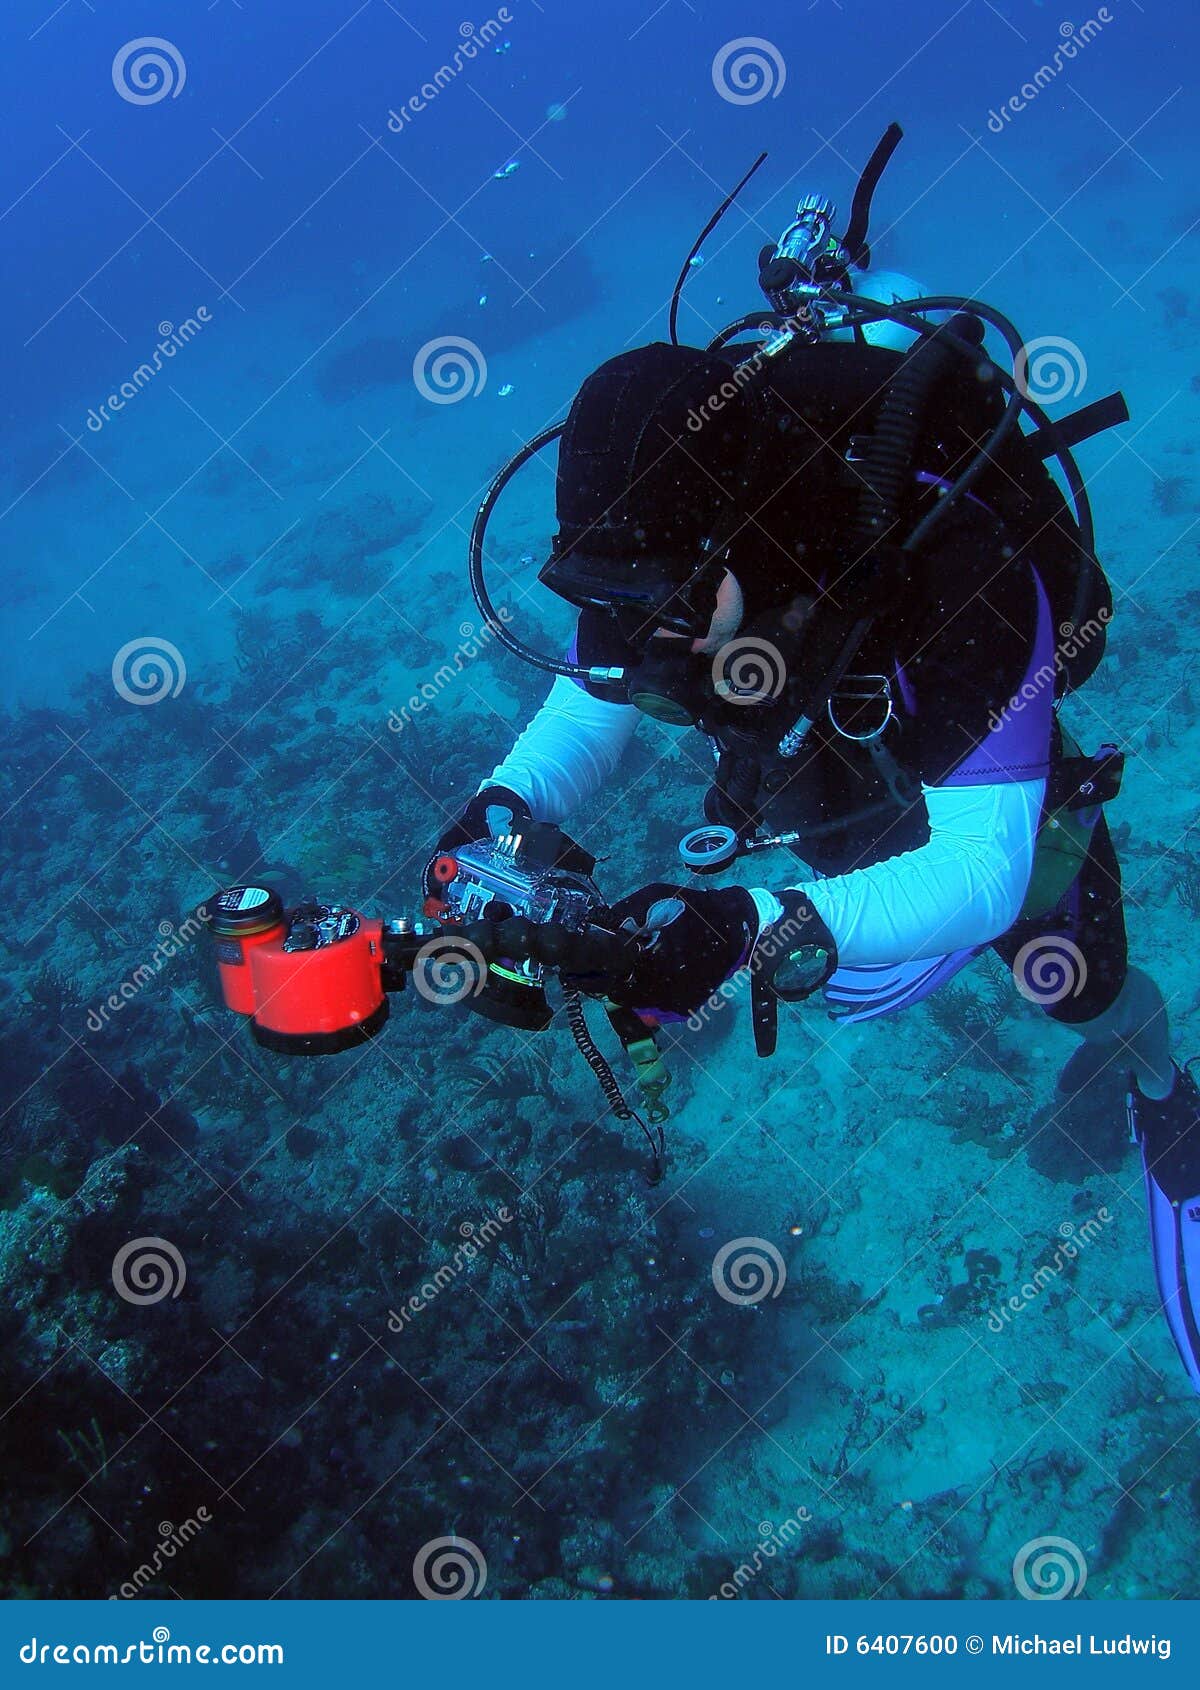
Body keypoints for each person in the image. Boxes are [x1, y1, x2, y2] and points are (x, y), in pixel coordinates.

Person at [430, 273, 1200, 1399]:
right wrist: (503, 810)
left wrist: (753, 922)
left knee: (1073, 983)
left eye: (666, 600)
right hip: (831, 779)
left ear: (748, 527)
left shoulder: (955, 572)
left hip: (957, 753)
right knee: (841, 870)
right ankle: (853, 911)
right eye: (613, 596)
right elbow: (590, 705)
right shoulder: (647, 546)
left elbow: (983, 872)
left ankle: (1167, 1089)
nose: (641, 636)